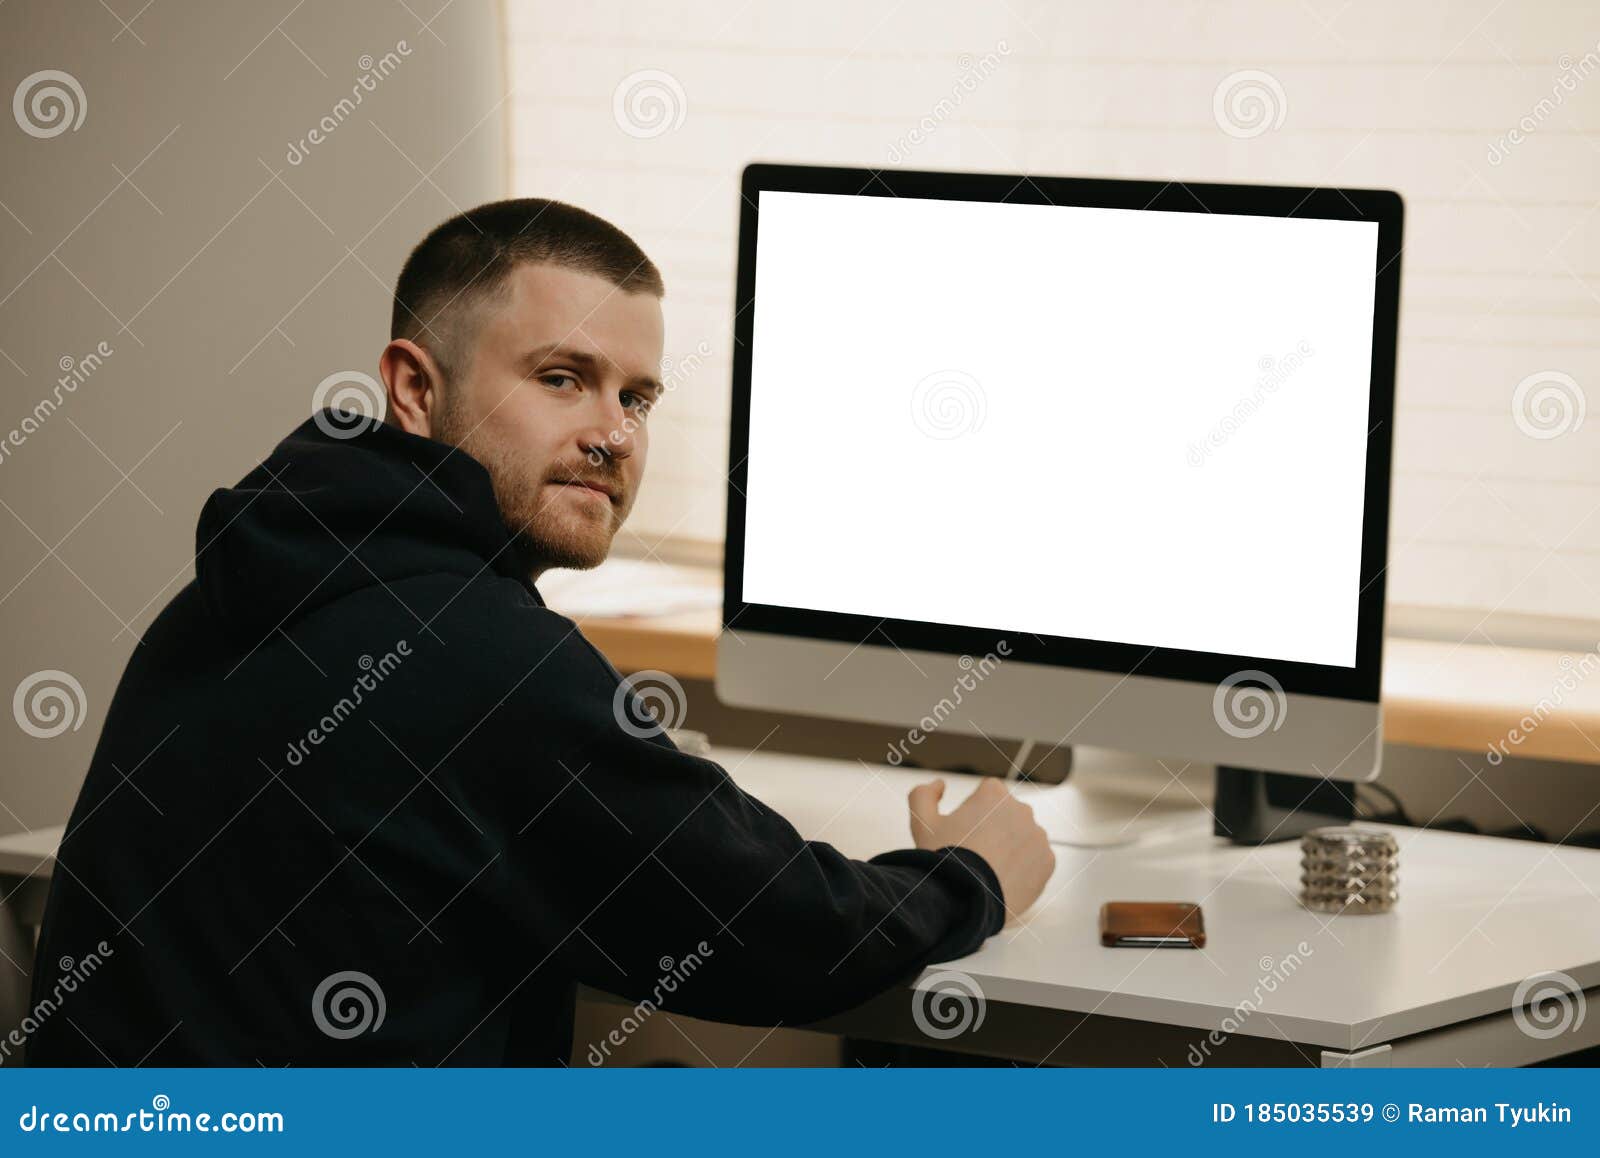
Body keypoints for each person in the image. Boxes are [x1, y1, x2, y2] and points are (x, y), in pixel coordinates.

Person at [25, 199, 1055, 1066]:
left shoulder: (261, 571)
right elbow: (790, 933)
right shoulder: (478, 654)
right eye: (563, 377)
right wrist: (968, 877)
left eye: (636, 395)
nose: (612, 431)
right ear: (415, 387)